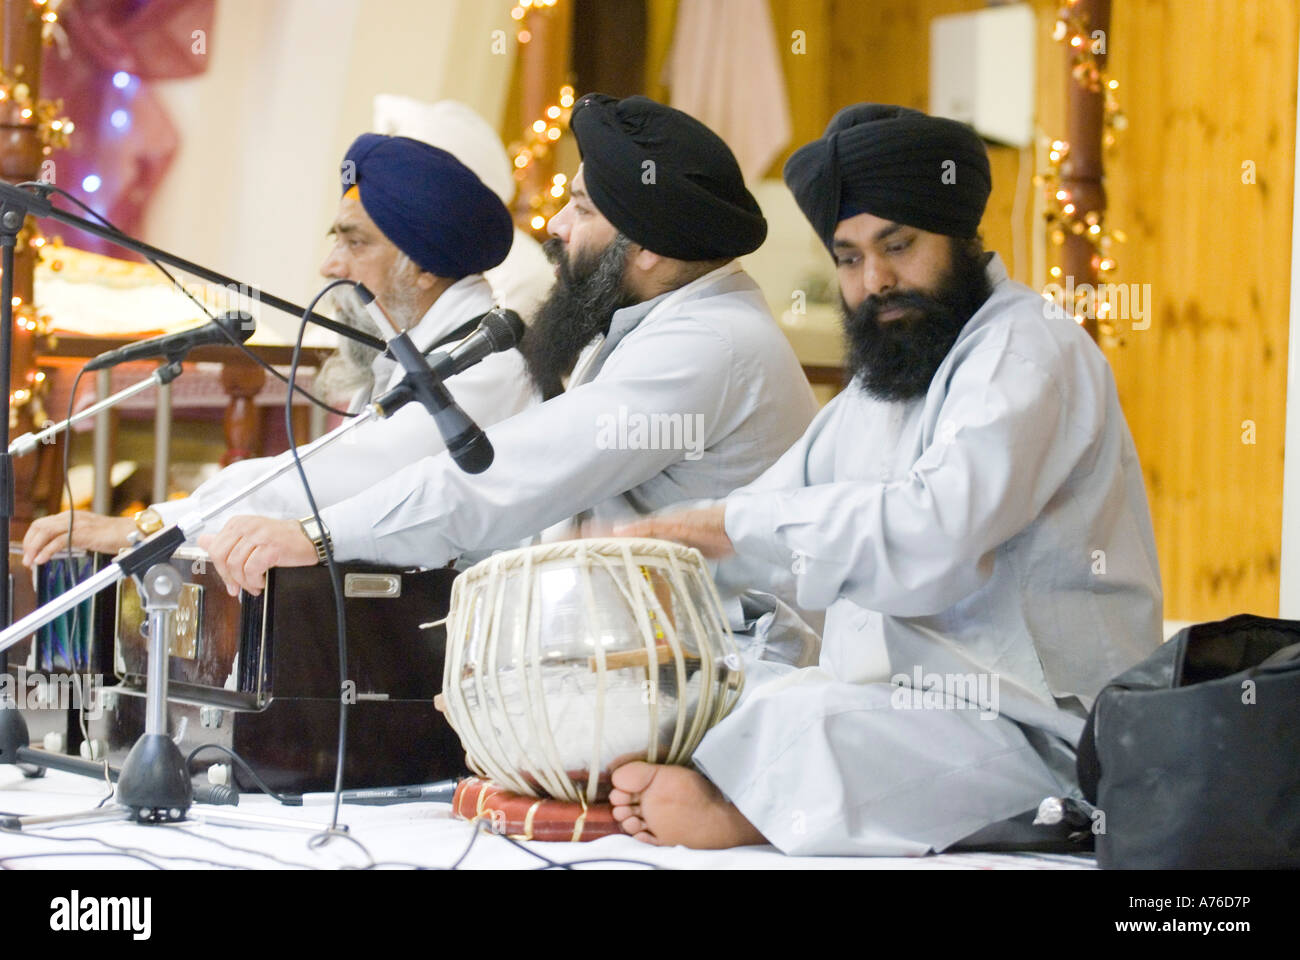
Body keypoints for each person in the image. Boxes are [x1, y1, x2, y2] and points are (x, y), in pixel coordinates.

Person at [605, 103, 1164, 855]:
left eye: (897, 246)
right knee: (730, 688)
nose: (876, 280)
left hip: (1041, 734)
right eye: (848, 257)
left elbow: (933, 539)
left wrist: (720, 530)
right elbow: (766, 514)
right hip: (892, 710)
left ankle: (748, 802)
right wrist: (660, 571)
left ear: (959, 237)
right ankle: (746, 781)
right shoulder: (882, 386)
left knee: (814, 725)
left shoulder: (1030, 354)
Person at [196, 94, 819, 597]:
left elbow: (510, 479)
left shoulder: (706, 346)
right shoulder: (660, 324)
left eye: (580, 209)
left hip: (713, 679)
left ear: (648, 243)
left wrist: (319, 535)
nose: (556, 225)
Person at [23, 134, 534, 568]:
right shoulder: (409, 352)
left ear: (424, 267)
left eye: (355, 244)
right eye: (336, 239)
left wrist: (146, 527)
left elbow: (331, 483)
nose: (329, 266)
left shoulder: (486, 363)